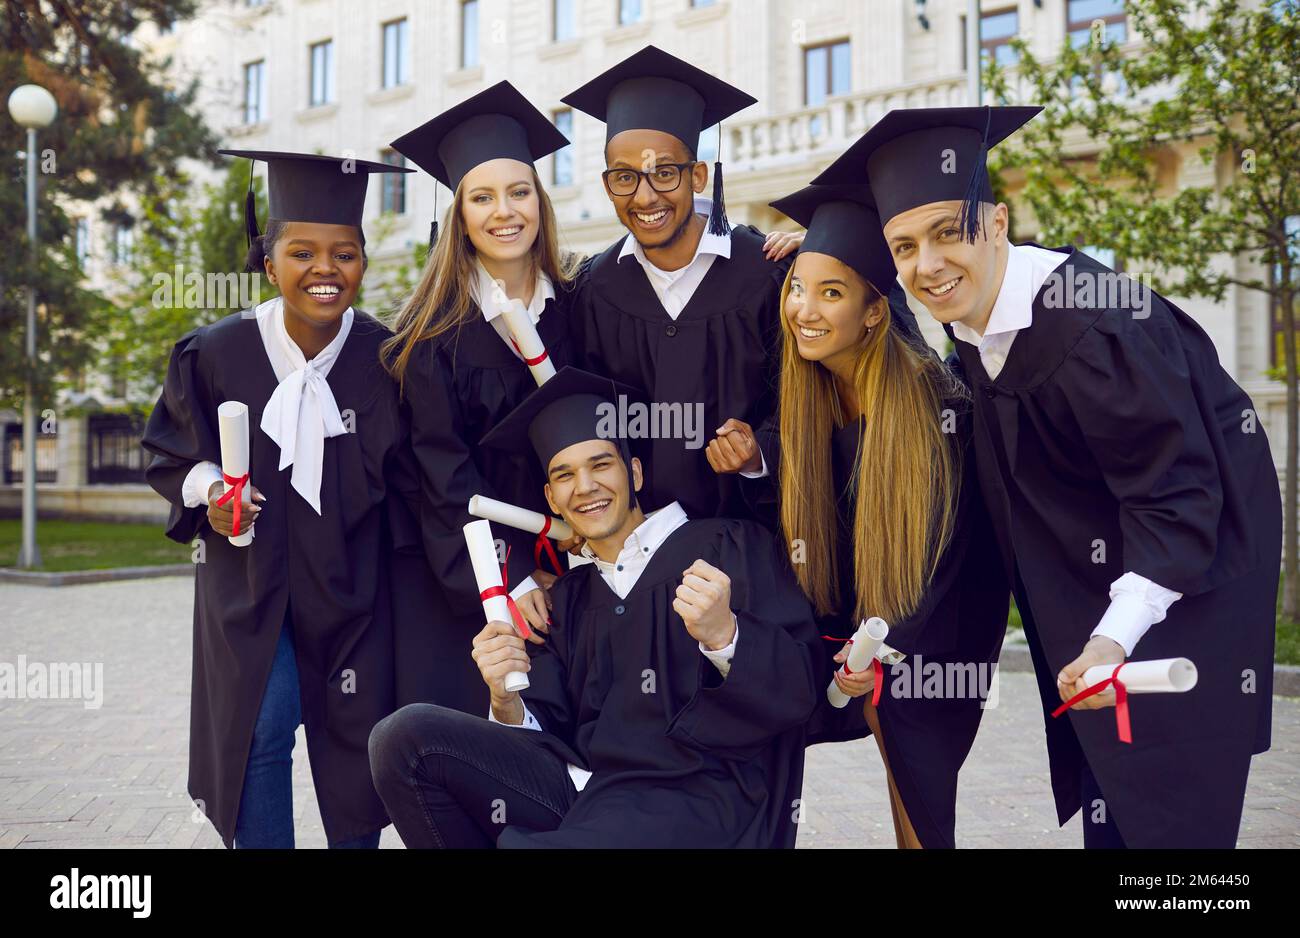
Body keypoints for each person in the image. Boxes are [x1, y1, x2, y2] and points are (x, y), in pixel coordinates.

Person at [816, 105, 1282, 848]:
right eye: (904, 246)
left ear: (997, 223)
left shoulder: (1093, 325)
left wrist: (1114, 636)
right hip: (1096, 592)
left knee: (1168, 810)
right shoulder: (973, 322)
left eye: (948, 231)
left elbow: (1178, 493)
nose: (927, 264)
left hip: (1182, 587)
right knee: (1115, 801)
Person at [368, 367, 822, 848]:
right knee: (403, 739)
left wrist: (725, 637)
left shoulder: (729, 547)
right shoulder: (567, 599)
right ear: (551, 499)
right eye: (565, 476)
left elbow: (803, 689)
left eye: (601, 465)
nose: (585, 487)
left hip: (703, 801)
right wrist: (505, 698)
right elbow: (547, 733)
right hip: (591, 798)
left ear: (636, 473)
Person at [710, 184, 1009, 848]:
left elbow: (948, 553)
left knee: (906, 740)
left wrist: (881, 644)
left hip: (933, 622)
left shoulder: (931, 406)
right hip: (850, 609)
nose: (802, 311)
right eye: (796, 289)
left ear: (877, 312)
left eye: (831, 294)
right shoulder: (811, 386)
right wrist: (756, 462)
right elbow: (814, 505)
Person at [141, 149, 415, 848]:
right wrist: (212, 495)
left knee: (356, 746)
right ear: (269, 264)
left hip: (354, 594)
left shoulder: (388, 362)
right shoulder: (216, 353)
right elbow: (173, 454)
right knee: (261, 730)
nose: (326, 269)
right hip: (250, 586)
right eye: (303, 252)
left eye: (345, 253)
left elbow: (415, 486)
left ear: (362, 263)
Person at [381, 81, 579, 714]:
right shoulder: (433, 337)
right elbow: (445, 480)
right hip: (482, 582)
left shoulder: (580, 306)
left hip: (584, 562)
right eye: (482, 197)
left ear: (540, 203)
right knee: (491, 739)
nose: (505, 211)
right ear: (460, 215)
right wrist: (517, 573)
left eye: (519, 192)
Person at [561, 45, 795, 521]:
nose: (645, 196)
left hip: (760, 542)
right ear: (607, 186)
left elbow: (812, 399)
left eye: (664, 173)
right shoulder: (594, 290)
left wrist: (759, 454)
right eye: (625, 178)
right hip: (639, 551)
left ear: (699, 175)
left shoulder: (768, 269)